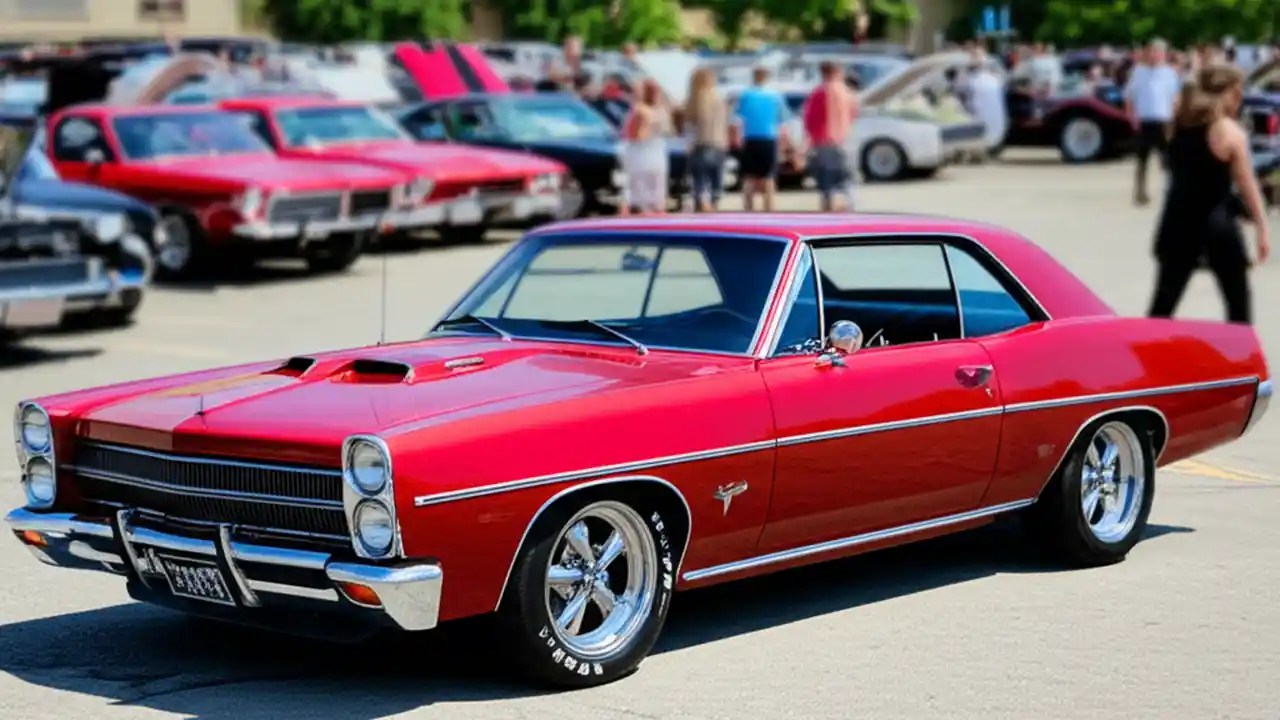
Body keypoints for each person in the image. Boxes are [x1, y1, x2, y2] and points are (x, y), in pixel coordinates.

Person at [1147, 64, 1270, 325]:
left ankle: (1143, 350)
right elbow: (1247, 184)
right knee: (1238, 306)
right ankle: (1241, 351)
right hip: (1216, 224)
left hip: (1177, 222)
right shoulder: (1229, 132)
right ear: (1232, 93)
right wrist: (1262, 227)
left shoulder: (1176, 124)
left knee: (1162, 308)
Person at [1125, 39, 1182, 205]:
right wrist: (1131, 117)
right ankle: (1140, 192)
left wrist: (1174, 119)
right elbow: (1129, 97)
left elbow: (1176, 98)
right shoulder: (1137, 72)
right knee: (1142, 159)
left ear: (1163, 54)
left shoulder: (1170, 73)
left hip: (1164, 120)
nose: (1154, 55)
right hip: (1144, 120)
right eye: (1151, 51)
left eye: (1158, 52)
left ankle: (1172, 191)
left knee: (1168, 160)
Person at [802, 60, 858, 211]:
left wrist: (808, 143)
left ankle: (829, 214)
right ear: (837, 71)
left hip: (824, 142)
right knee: (846, 181)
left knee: (827, 184)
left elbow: (810, 120)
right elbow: (854, 114)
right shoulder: (847, 92)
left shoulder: (819, 92)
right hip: (844, 141)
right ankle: (850, 211)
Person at [734, 66, 786, 211]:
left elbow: (738, 117)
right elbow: (782, 120)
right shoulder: (775, 95)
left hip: (750, 138)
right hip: (769, 138)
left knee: (749, 177)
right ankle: (769, 209)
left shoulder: (746, 95)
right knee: (769, 177)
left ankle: (748, 209)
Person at [620, 78, 671, 216]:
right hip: (658, 155)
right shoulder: (662, 111)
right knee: (657, 192)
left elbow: (635, 135)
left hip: (641, 155)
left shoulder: (640, 111)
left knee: (639, 193)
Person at [683, 67, 729, 212]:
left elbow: (690, 122)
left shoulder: (696, 98)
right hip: (719, 143)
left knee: (700, 180)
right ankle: (714, 205)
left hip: (701, 143)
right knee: (716, 180)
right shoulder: (719, 98)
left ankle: (701, 205)